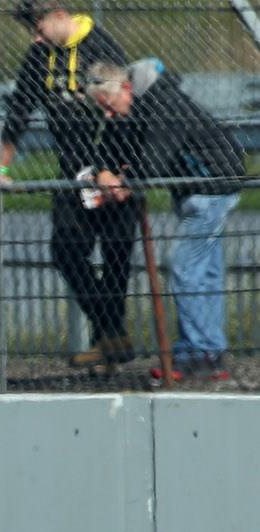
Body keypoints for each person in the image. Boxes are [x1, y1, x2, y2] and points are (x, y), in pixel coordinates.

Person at [86, 59, 245, 383]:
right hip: (195, 190)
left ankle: (197, 352)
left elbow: (155, 158)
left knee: (186, 269)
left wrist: (126, 184)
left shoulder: (163, 104)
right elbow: (112, 144)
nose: (108, 115)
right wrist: (104, 171)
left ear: (126, 89)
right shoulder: (133, 106)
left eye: (108, 106)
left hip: (212, 187)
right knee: (205, 273)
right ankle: (207, 352)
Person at [1, 0, 136, 371]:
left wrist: (116, 172)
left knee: (116, 258)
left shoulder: (102, 48)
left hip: (113, 172)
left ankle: (106, 343)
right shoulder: (40, 55)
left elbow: (123, 111)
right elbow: (19, 109)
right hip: (71, 173)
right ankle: (111, 332)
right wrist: (1, 166)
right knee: (66, 250)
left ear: (59, 15)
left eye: (39, 27)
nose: (35, 37)